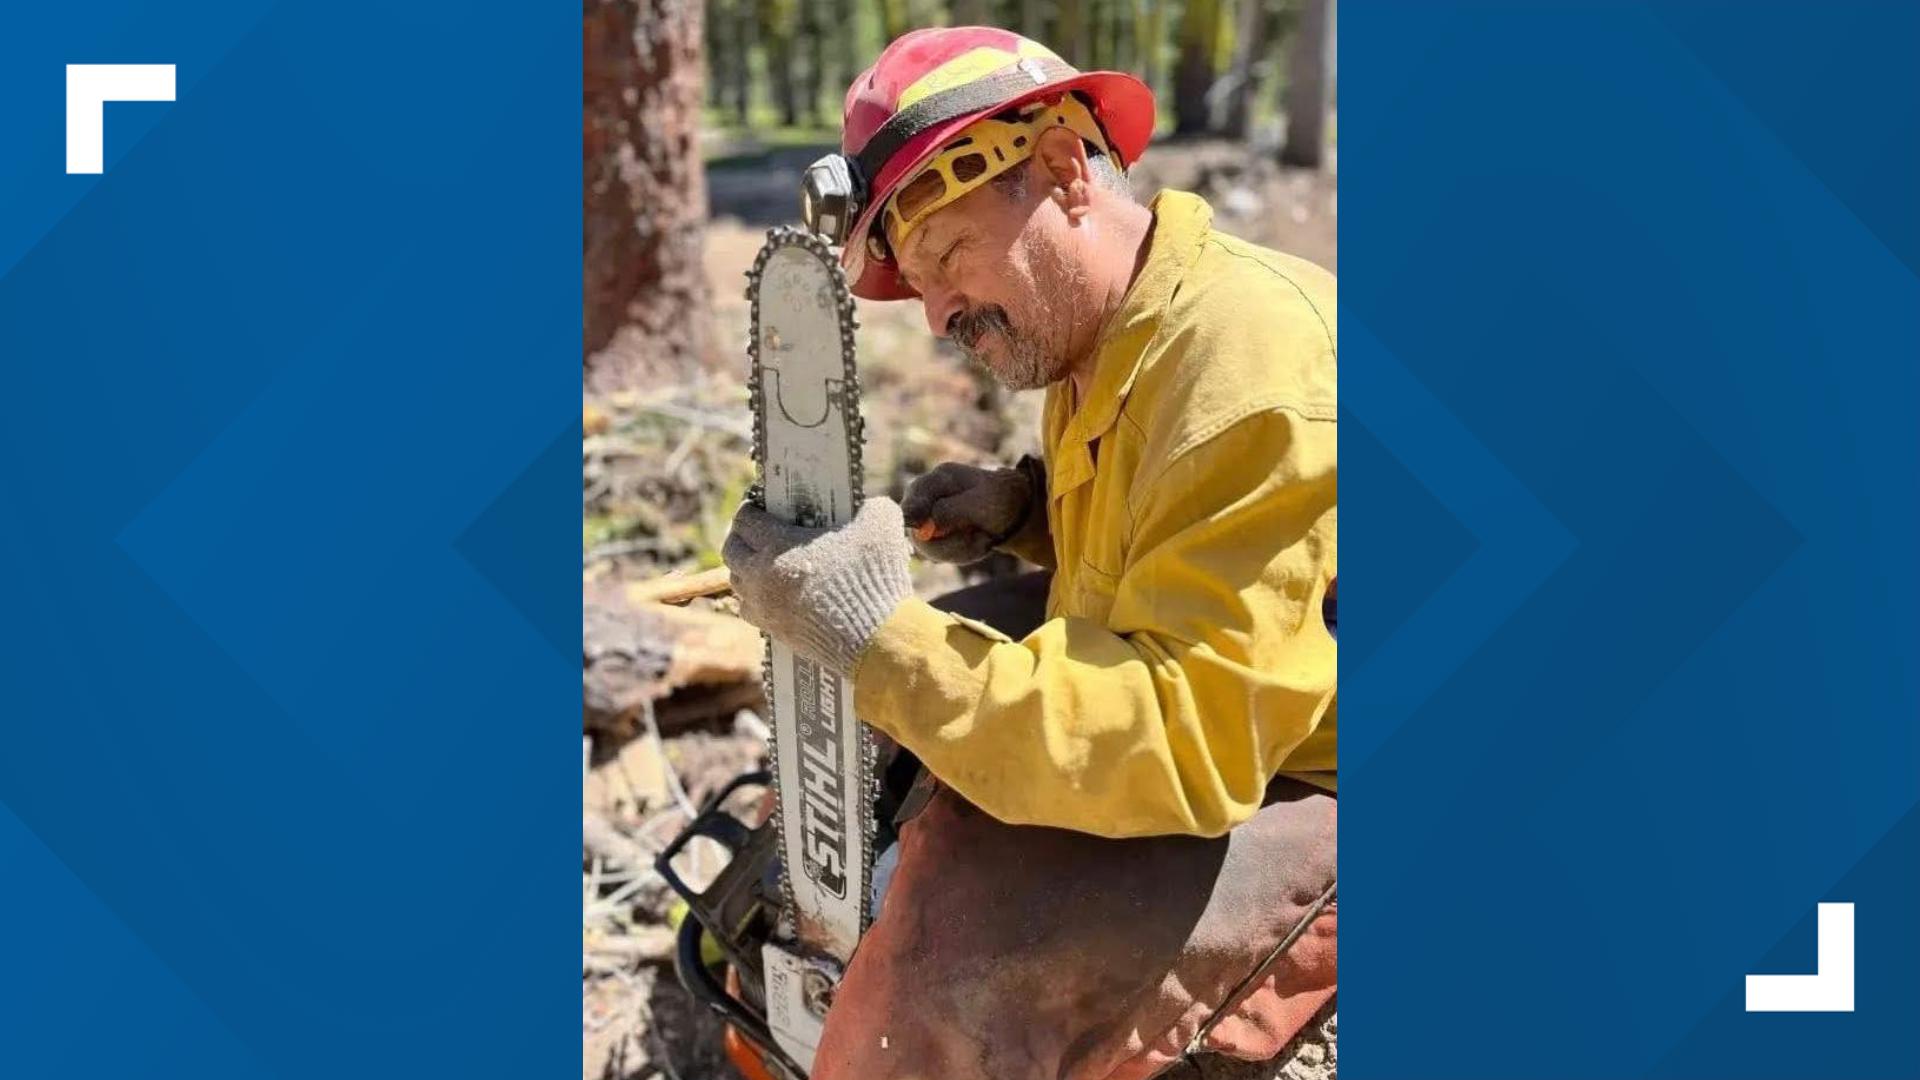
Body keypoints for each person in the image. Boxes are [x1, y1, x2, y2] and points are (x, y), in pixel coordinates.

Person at [721, 26, 1337, 1079]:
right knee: (885, 755)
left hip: (1292, 771)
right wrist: (1028, 510)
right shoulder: (1112, 331)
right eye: (919, 287)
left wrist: (879, 638)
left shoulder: (1251, 371)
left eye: (949, 258)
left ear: (1059, 169)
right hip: (1210, 717)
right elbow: (1192, 528)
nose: (942, 313)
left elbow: (1192, 739)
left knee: (956, 965)